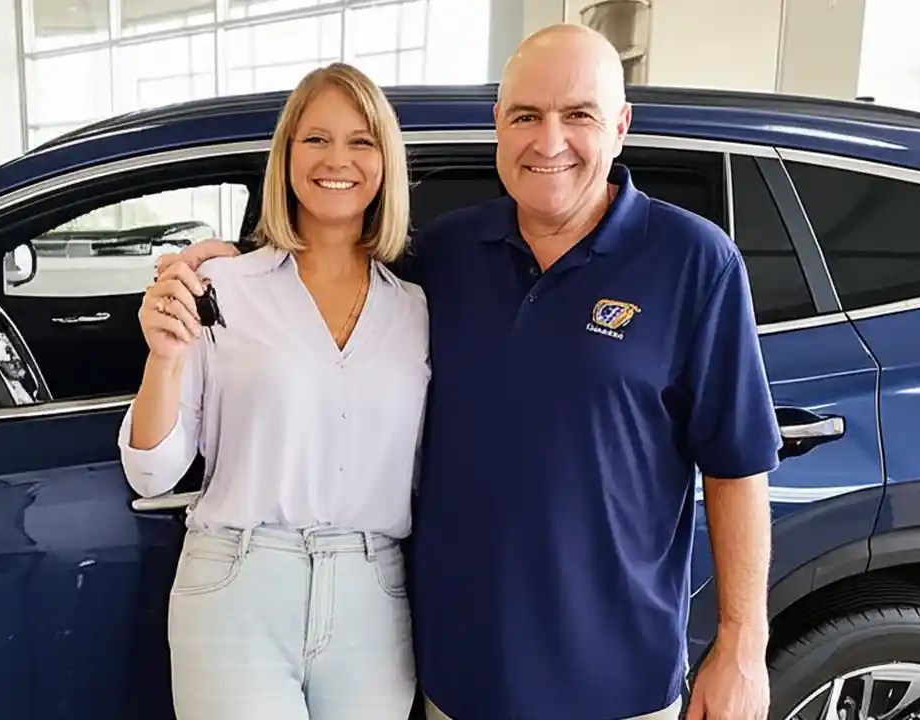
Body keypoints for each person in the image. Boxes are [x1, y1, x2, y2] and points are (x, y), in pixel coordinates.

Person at [167, 24, 779, 720]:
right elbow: (326, 278)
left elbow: (736, 465)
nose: (549, 142)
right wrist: (228, 264)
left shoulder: (694, 262)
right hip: (461, 681)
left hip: (619, 686)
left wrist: (741, 643)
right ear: (499, 125)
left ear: (620, 125)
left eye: (577, 115)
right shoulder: (450, 254)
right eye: (526, 116)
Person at [120, 62, 428, 720]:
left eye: (361, 140)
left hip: (372, 591)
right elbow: (152, 469)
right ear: (285, 155)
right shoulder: (223, 289)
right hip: (239, 583)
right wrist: (164, 358)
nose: (336, 159)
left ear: (386, 161)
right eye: (315, 139)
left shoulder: (419, 312)